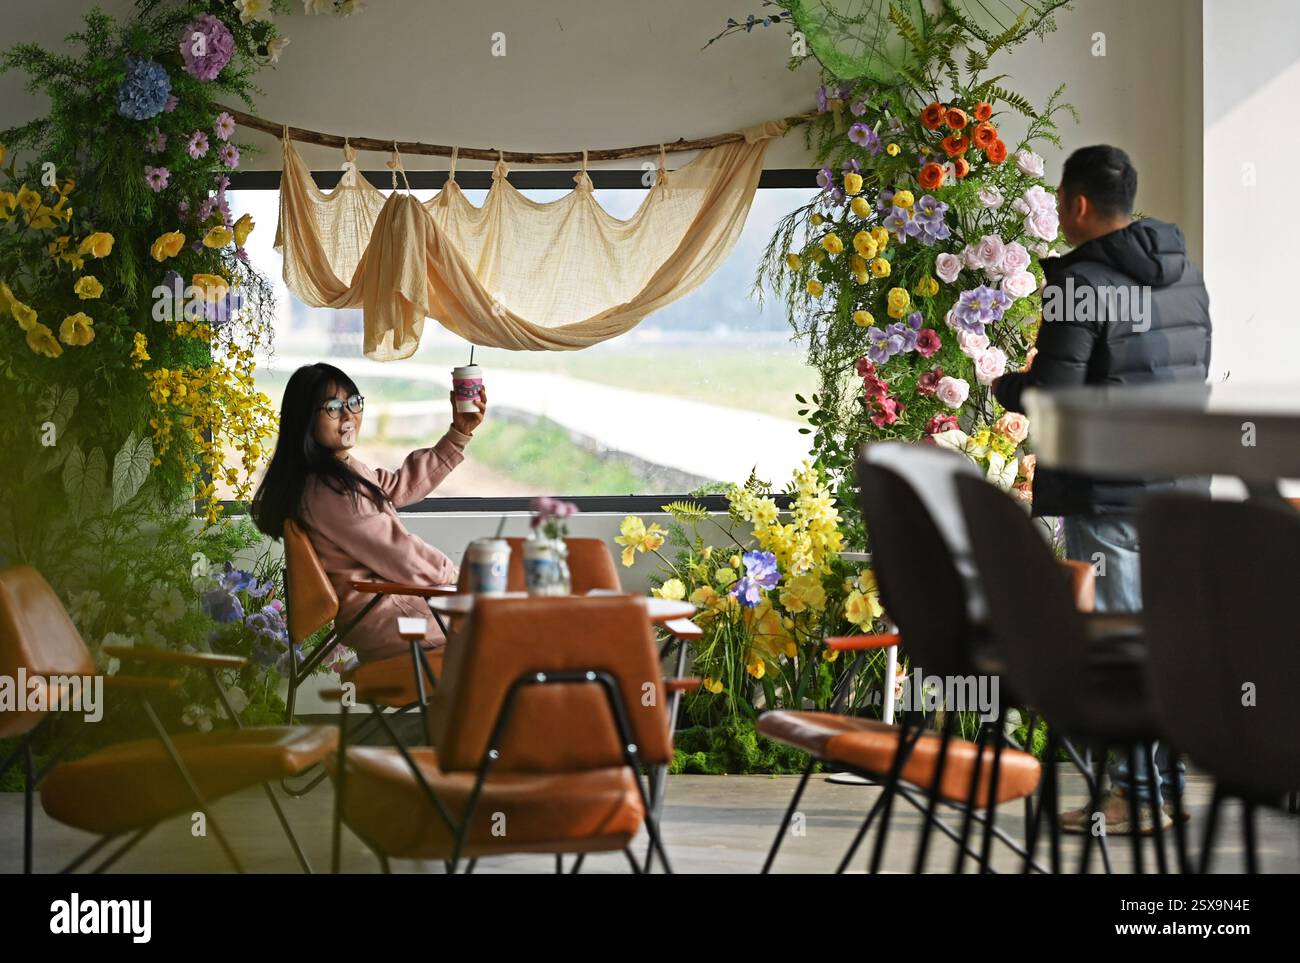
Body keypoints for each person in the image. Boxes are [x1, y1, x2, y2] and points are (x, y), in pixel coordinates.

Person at [992, 145, 1212, 834]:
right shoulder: (1185, 274)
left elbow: (1055, 396)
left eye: (1060, 202)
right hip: (1177, 487)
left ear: (1079, 204)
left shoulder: (1081, 280)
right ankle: (1162, 790)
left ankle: (1137, 799)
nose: (1060, 214)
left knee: (1118, 640)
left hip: (1109, 489)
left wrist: (1007, 383)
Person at [251, 362, 486, 663]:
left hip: (387, 614)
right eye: (333, 407)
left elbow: (399, 485)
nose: (348, 414)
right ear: (305, 419)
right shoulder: (332, 489)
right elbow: (399, 554)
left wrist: (459, 433)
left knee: (506, 616)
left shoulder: (337, 473)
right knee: (505, 619)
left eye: (353, 402)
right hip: (395, 619)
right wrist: (454, 574)